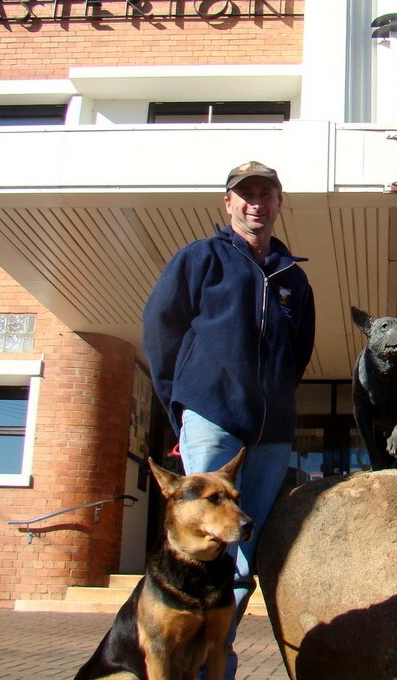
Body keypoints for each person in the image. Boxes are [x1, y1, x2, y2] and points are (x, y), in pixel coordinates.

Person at [142, 160, 315, 679]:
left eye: (266, 193)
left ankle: (211, 664)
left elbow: (300, 348)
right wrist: (183, 401)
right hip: (214, 420)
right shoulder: (201, 258)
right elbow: (161, 328)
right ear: (228, 203)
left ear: (279, 203)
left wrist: (279, 394)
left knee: (242, 558)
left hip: (270, 437)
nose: (255, 203)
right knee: (201, 548)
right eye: (245, 194)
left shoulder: (293, 277)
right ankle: (172, 660)